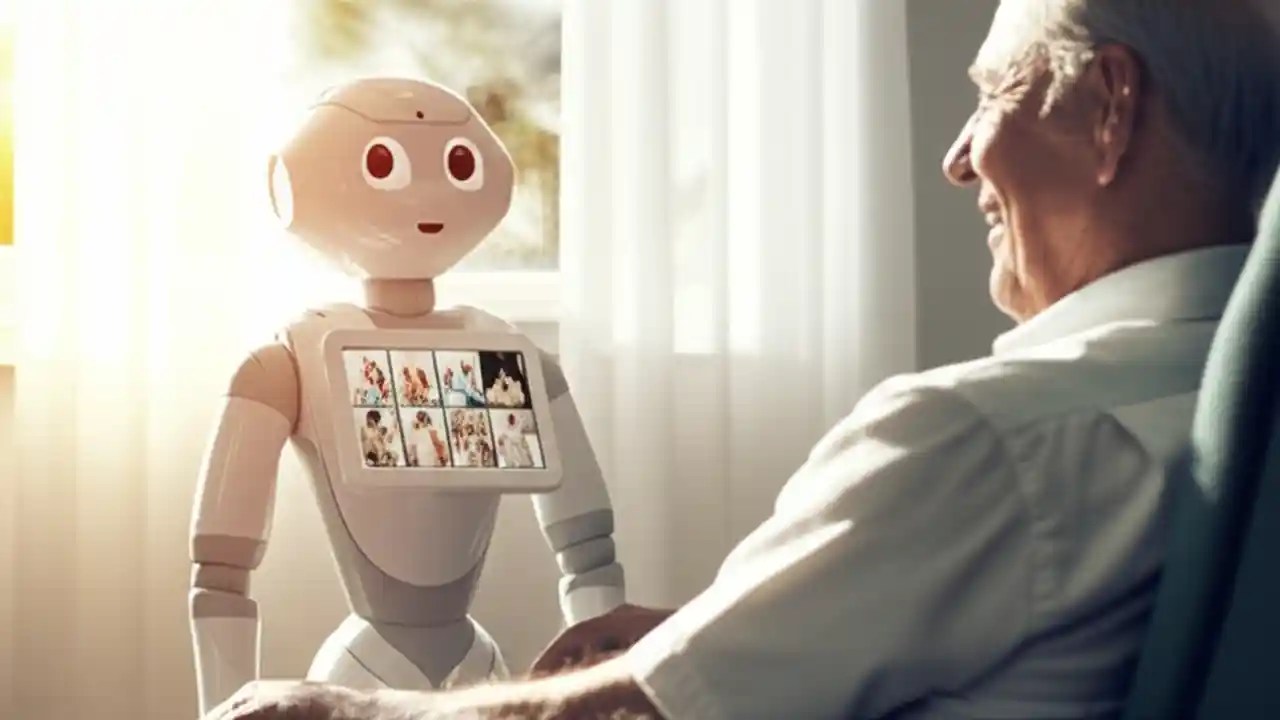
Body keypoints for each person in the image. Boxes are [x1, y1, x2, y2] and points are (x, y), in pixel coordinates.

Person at [206, 0, 1280, 717]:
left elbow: (624, 719)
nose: (957, 158)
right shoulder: (1229, 416)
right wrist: (710, 631)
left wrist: (338, 709)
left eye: (993, 93)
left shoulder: (976, 442)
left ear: (1108, 109)